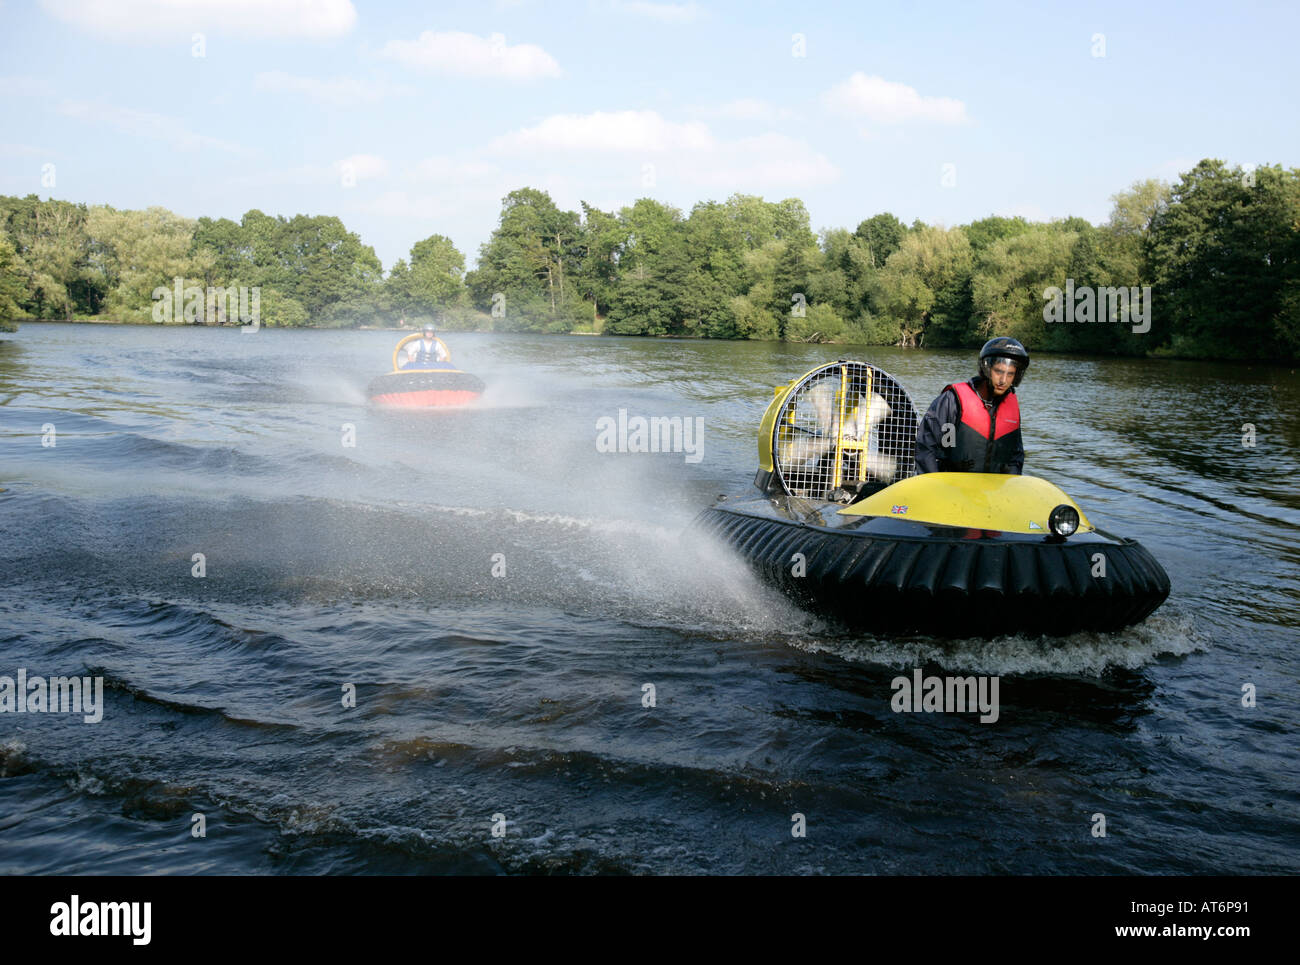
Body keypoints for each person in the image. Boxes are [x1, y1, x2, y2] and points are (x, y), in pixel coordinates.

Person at [915, 337, 1028, 475]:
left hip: (993, 491)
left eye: (1010, 374)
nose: (1003, 380)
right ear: (986, 368)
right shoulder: (952, 400)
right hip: (952, 488)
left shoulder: (1011, 408)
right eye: (998, 371)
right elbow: (927, 448)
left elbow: (1015, 458)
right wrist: (935, 485)